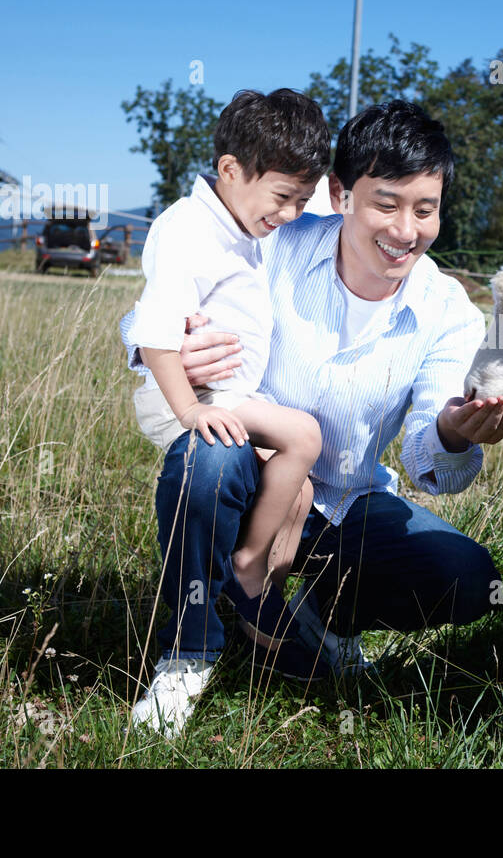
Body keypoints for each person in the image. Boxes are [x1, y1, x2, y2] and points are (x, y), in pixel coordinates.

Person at [120, 100, 503, 738]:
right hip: (254, 478)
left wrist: (450, 434)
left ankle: (319, 616)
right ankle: (187, 654)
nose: (405, 230)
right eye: (385, 204)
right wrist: (151, 346)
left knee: (466, 577)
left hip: (346, 501)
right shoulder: (275, 238)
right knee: (207, 456)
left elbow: (429, 465)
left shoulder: (448, 311)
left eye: (425, 209)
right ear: (340, 195)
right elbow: (161, 303)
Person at [129, 88, 328, 625]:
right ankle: (245, 569)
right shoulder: (191, 231)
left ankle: (255, 611)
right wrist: (191, 412)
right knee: (304, 436)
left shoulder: (243, 221)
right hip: (197, 397)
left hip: (229, 394)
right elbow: (153, 330)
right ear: (230, 169)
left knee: (299, 492)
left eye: (303, 202)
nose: (290, 214)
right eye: (283, 197)